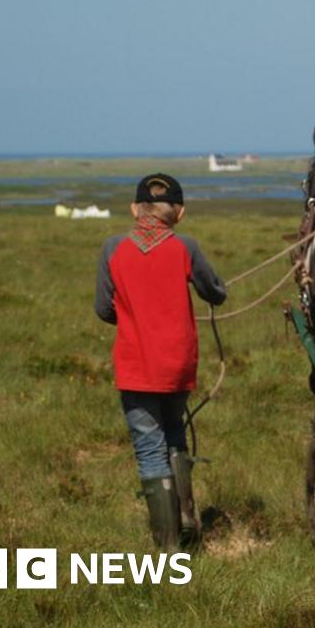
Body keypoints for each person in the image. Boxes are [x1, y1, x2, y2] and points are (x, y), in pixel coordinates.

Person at [95, 173, 227, 550]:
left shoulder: (112, 248)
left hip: (136, 365)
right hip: (178, 364)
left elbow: (103, 309)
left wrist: (137, 318)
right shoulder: (185, 247)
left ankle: (169, 548)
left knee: (149, 447)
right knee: (174, 433)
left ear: (135, 209)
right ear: (180, 213)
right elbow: (215, 293)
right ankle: (186, 518)